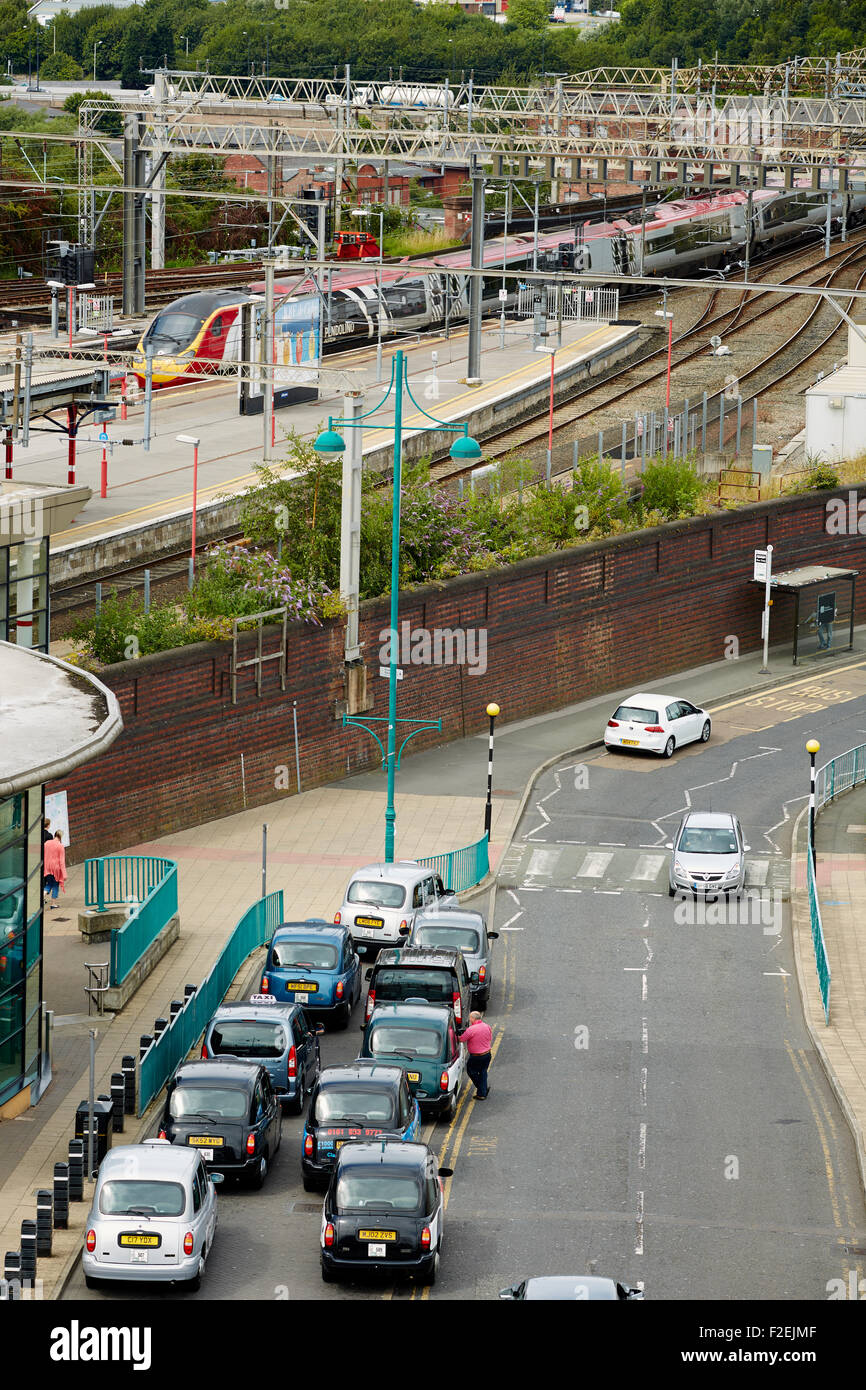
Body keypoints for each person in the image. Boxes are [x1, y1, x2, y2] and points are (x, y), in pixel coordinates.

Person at [460, 1010, 493, 1100]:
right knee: (483, 1072)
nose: (469, 1019)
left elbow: (462, 1039)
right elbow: (489, 1038)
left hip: (476, 1056)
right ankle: (482, 1091)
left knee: (471, 1071)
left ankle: (482, 1091)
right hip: (487, 1054)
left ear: (473, 1019)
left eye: (470, 1017)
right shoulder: (487, 1026)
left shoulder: (471, 1029)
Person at [43, 831, 67, 909]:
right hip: (56, 869)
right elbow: (62, 862)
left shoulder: (46, 843)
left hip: (47, 867)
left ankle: (42, 897)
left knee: (49, 884)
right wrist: (64, 874)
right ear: (60, 837)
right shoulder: (60, 846)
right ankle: (53, 904)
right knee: (55, 885)